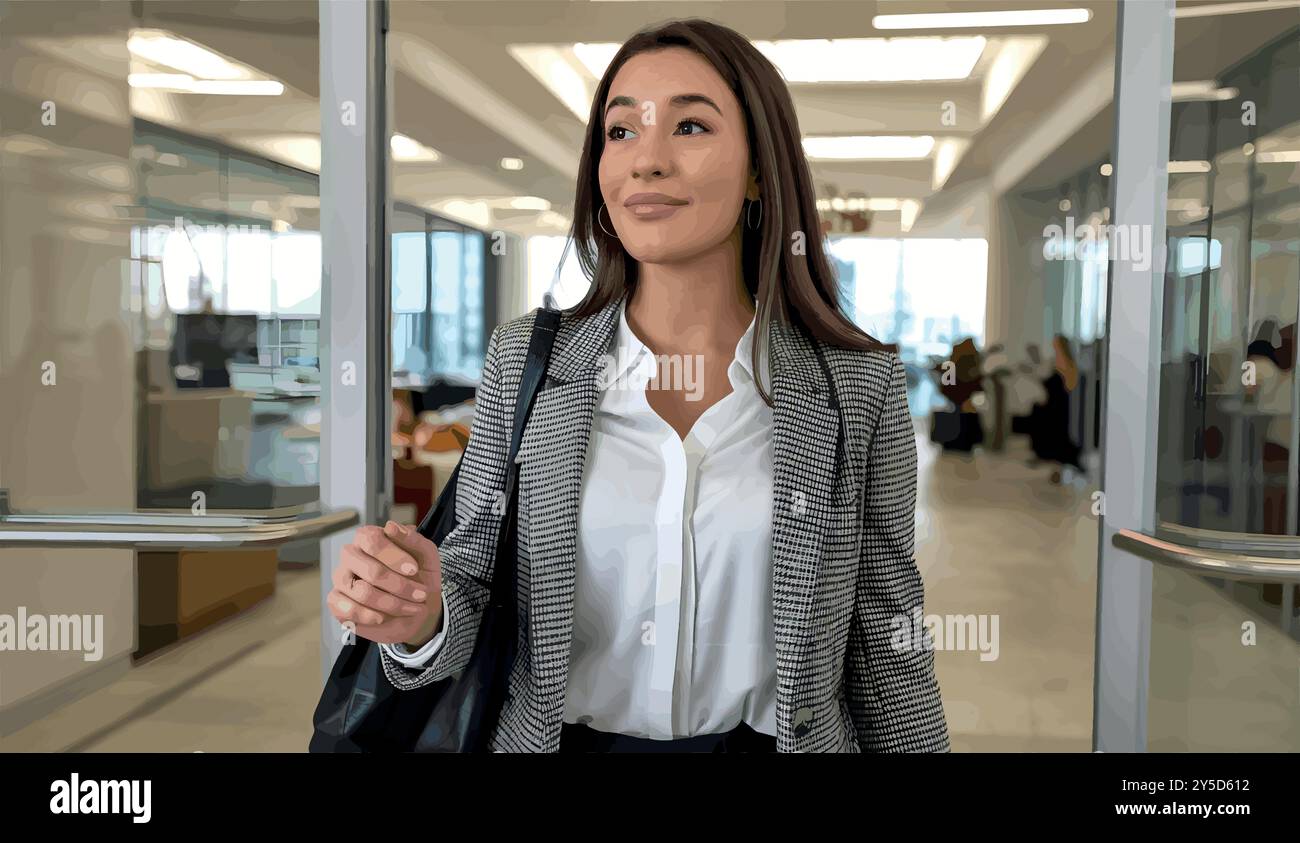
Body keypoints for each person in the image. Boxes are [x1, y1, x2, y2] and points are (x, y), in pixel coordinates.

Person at [327, 18, 948, 753]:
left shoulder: (858, 386)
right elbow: (467, 584)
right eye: (620, 133)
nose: (646, 161)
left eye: (689, 125)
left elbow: (888, 641)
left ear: (758, 168)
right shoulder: (526, 357)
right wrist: (419, 613)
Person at [1028, 335, 1083, 483]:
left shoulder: (1069, 368)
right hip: (1054, 408)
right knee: (1037, 411)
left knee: (1042, 415)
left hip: (1061, 411)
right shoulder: (1056, 365)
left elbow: (1065, 391)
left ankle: (1057, 461)